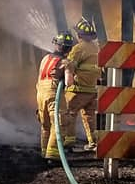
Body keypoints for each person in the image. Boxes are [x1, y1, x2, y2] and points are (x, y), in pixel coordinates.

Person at [64, 17, 101, 152]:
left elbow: (69, 65)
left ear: (79, 34)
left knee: (69, 113)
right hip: (92, 90)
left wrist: (68, 81)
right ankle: (93, 143)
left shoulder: (78, 48)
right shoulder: (96, 48)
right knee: (90, 116)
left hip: (78, 89)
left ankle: (68, 142)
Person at [36, 30, 75, 160]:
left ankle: (44, 151)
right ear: (69, 48)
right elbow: (69, 82)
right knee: (58, 123)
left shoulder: (45, 58)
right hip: (53, 93)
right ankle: (53, 155)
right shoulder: (66, 62)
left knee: (45, 124)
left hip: (40, 92)